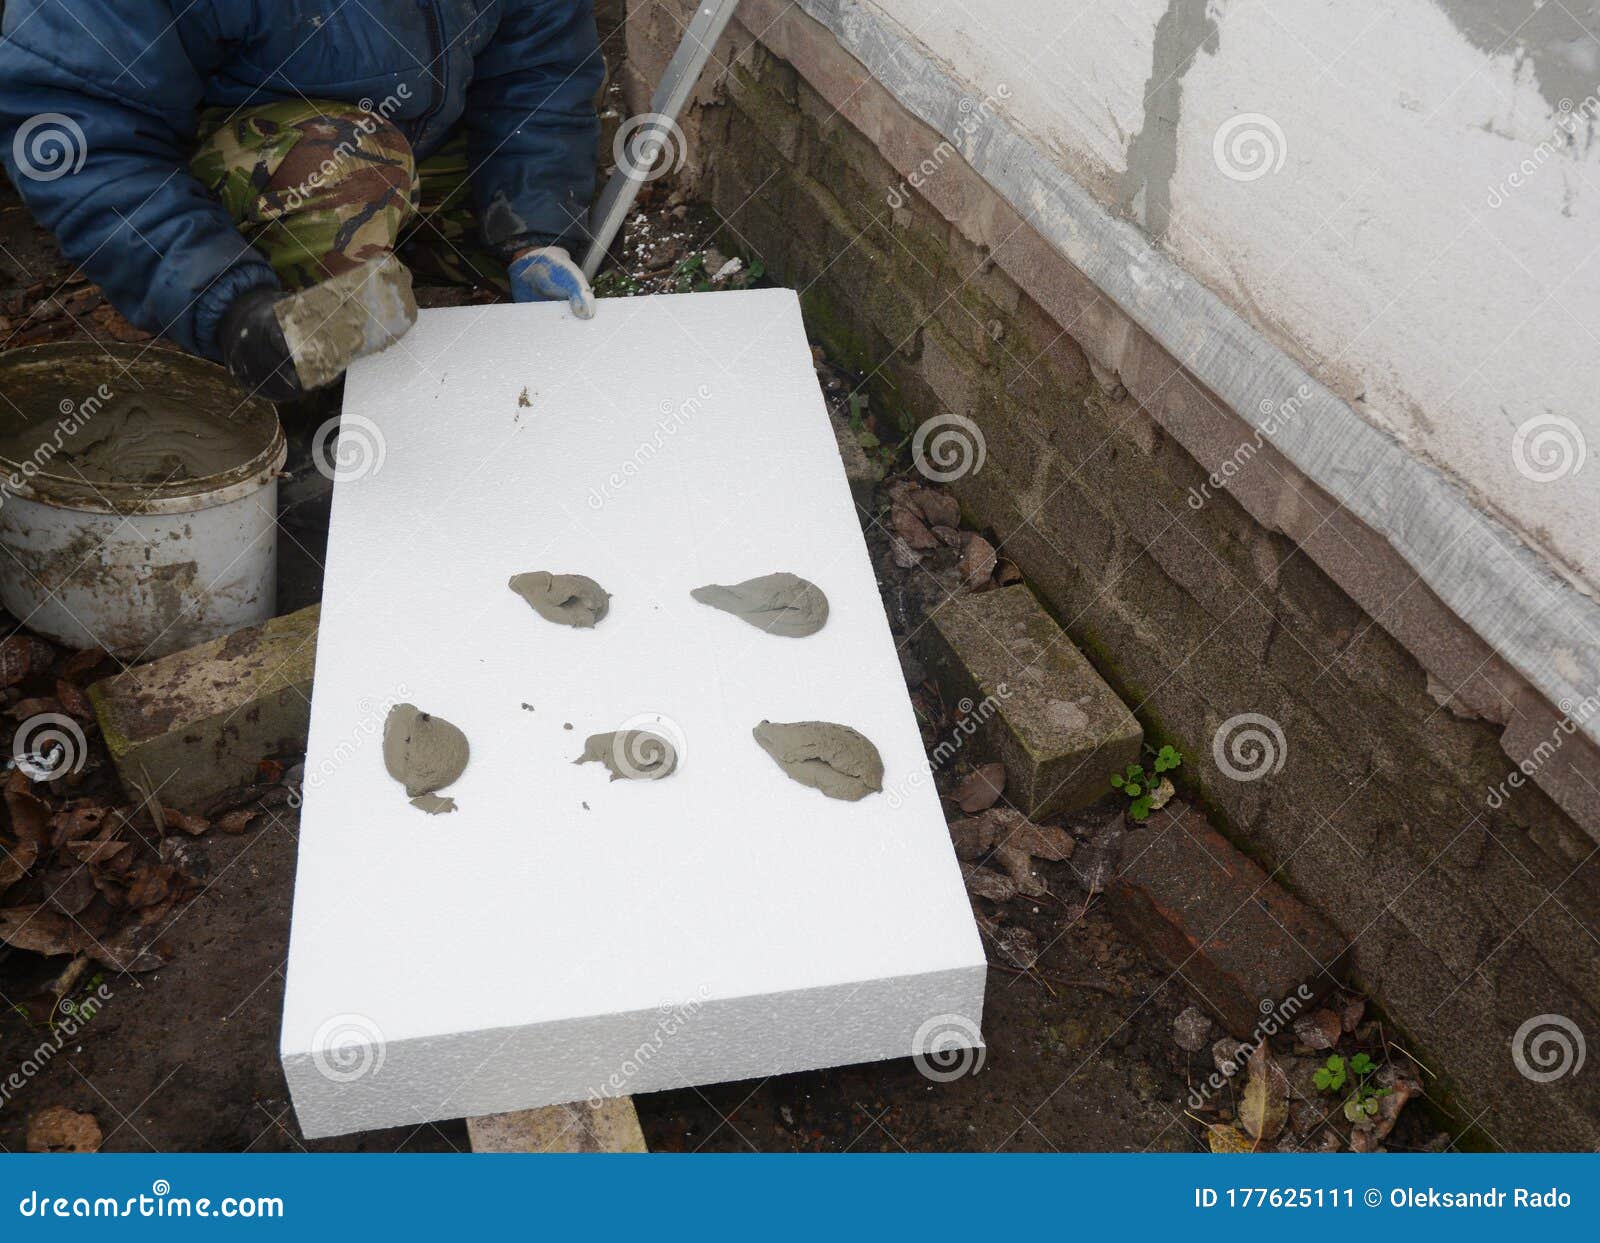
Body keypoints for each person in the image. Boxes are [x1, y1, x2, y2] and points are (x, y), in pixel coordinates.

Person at [0, 0, 604, 400]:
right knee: (355, 166)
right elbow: (87, 134)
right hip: (233, 176)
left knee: (540, 221)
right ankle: (300, 365)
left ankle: (394, 238)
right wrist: (228, 309)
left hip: (416, 141)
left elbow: (541, 71)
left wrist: (536, 233)